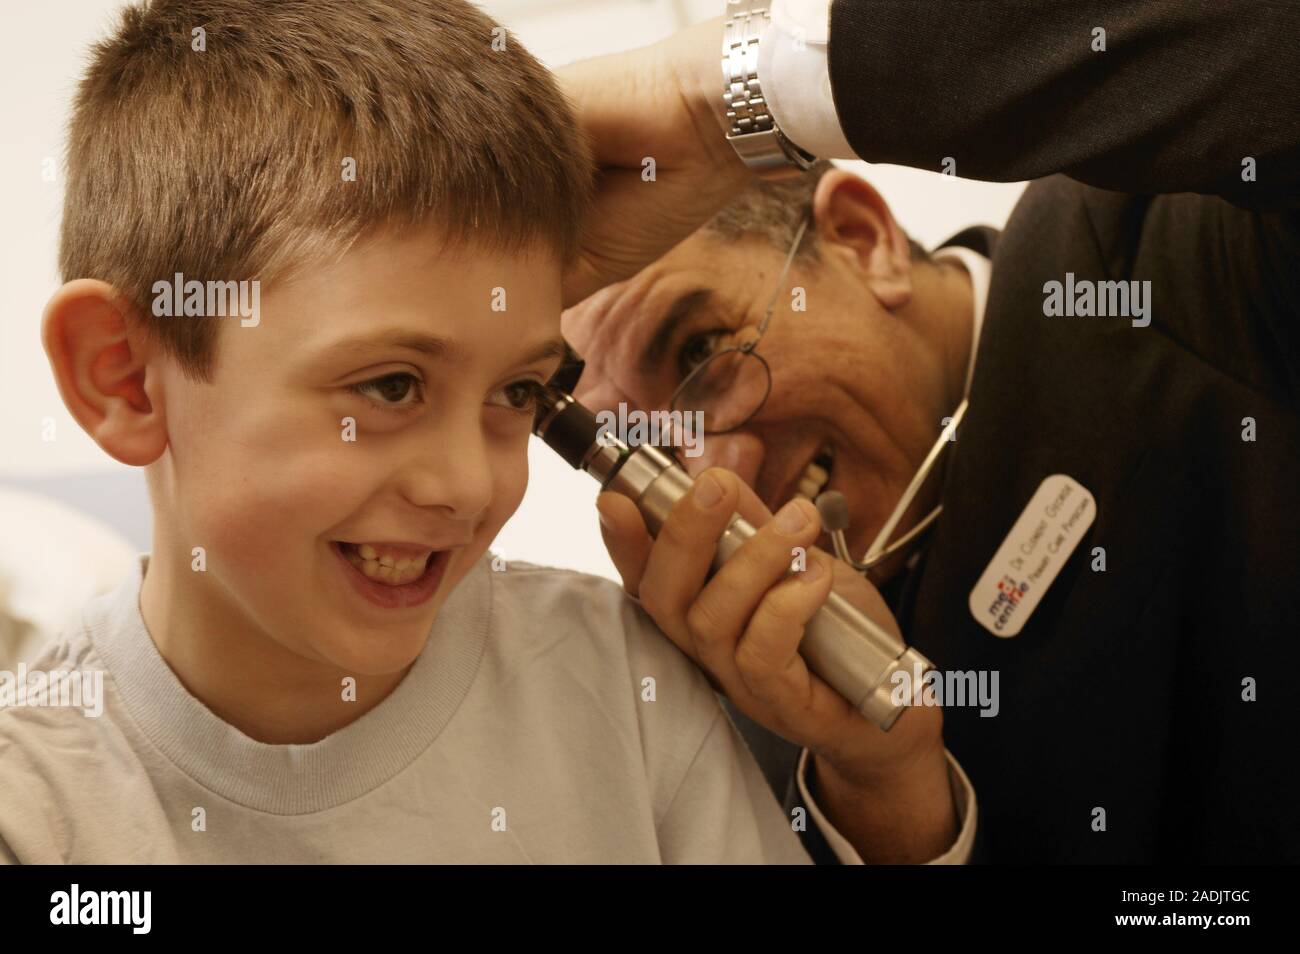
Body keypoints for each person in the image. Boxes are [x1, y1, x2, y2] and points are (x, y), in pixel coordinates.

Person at [0, 0, 974, 865]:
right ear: (122, 378)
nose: (469, 487)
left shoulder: (622, 689)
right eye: (390, 384)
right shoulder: (31, 806)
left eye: (516, 392)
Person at [560, 1, 1300, 862]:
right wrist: (888, 792)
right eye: (645, 444)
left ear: (859, 237)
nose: (719, 477)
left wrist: (720, 96)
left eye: (704, 349)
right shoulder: (755, 722)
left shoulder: (1182, 252)